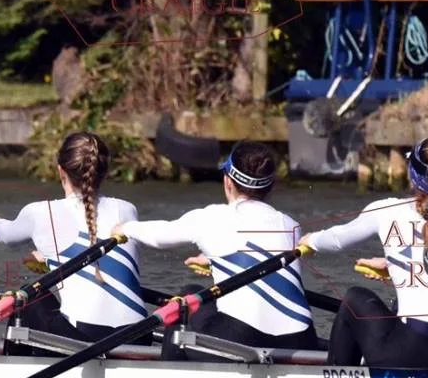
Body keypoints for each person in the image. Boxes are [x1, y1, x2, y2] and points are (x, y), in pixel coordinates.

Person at [111, 141, 320, 357]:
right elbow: (262, 262)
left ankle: (169, 375)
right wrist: (214, 261)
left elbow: (159, 237)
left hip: (242, 337)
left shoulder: (211, 217)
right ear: (271, 186)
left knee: (186, 298)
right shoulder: (291, 224)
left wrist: (125, 228)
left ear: (228, 182)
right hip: (301, 340)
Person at [298, 135, 428, 369]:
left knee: (354, 299)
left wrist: (309, 241)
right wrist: (395, 266)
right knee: (402, 308)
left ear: (413, 173)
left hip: (416, 350)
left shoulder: (386, 210)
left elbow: (337, 240)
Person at [0, 132, 147, 350]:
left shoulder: (41, 212)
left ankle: (12, 368)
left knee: (28, 297)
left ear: (61, 171)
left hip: (84, 337)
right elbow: (92, 245)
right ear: (104, 173)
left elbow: (7, 235)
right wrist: (49, 259)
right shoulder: (127, 208)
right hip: (139, 335)